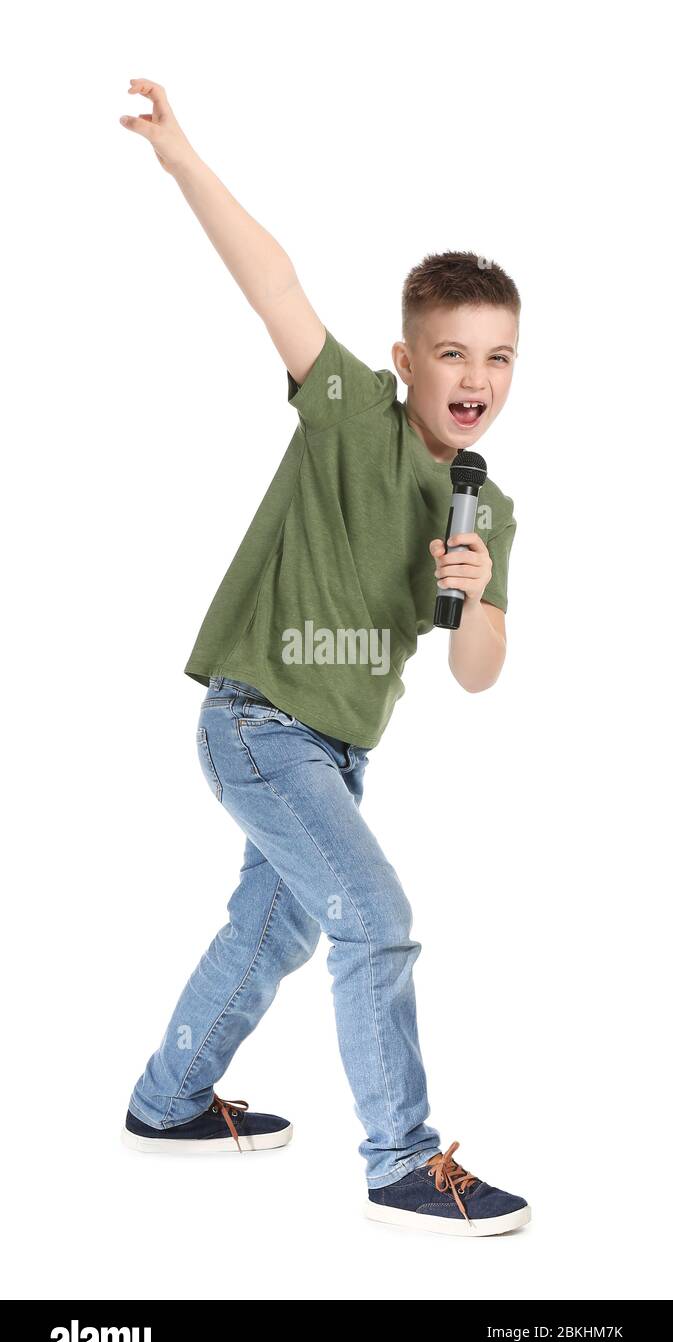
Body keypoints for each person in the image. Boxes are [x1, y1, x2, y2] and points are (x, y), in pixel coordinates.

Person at [119, 78, 530, 1237]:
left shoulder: (484, 508)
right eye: (451, 353)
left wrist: (479, 593)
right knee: (372, 911)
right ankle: (402, 1159)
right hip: (257, 723)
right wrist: (183, 159)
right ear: (407, 358)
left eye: (498, 359)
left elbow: (476, 669)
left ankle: (168, 1100)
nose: (473, 380)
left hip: (339, 754)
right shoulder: (349, 406)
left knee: (277, 924)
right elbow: (277, 282)